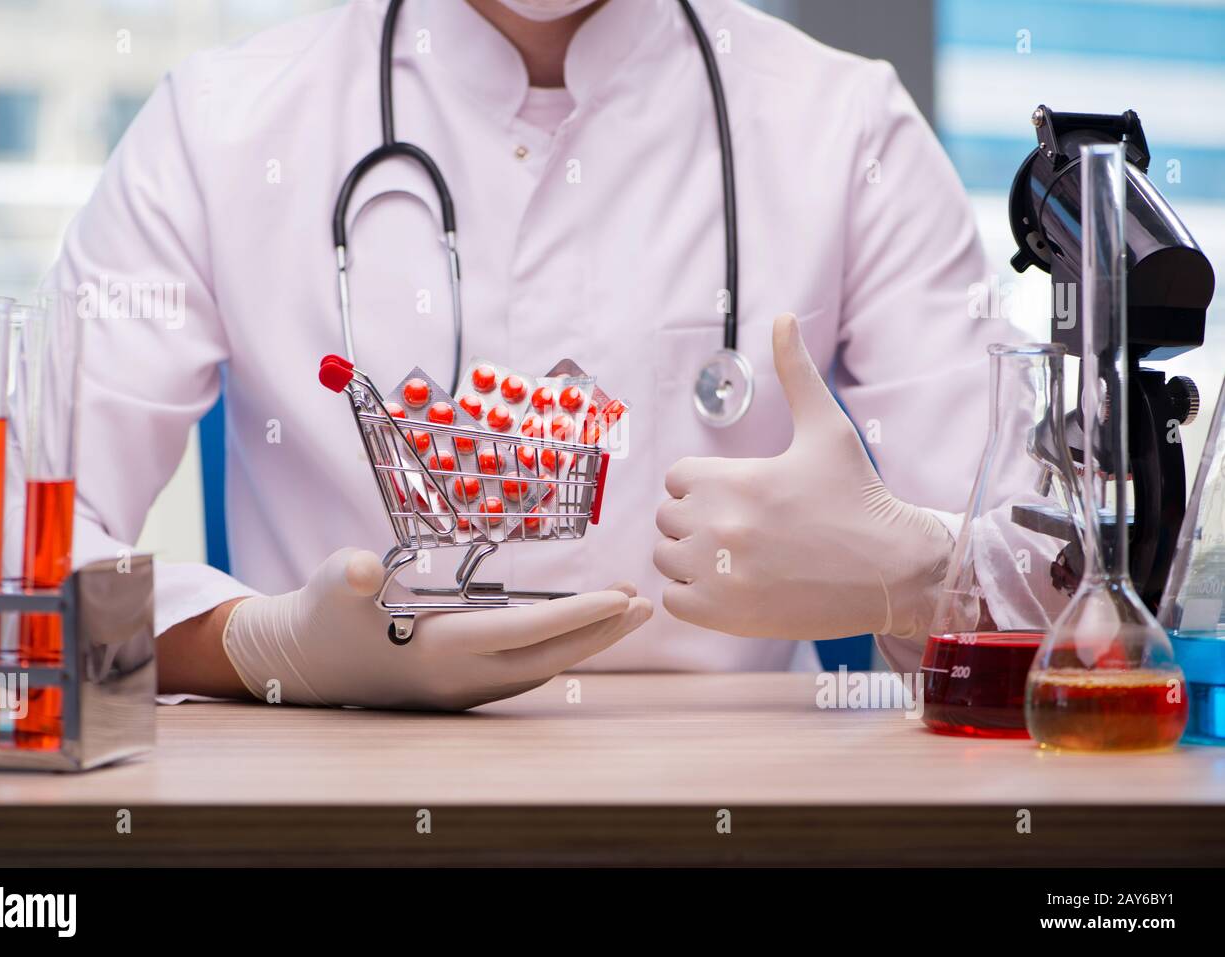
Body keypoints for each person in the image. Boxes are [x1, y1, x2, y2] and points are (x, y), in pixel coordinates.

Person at [54, 0, 1019, 709]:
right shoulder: (219, 125)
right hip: (335, 805)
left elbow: (1050, 577)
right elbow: (13, 555)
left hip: (732, 813)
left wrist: (923, 570)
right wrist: (259, 647)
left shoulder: (847, 130)